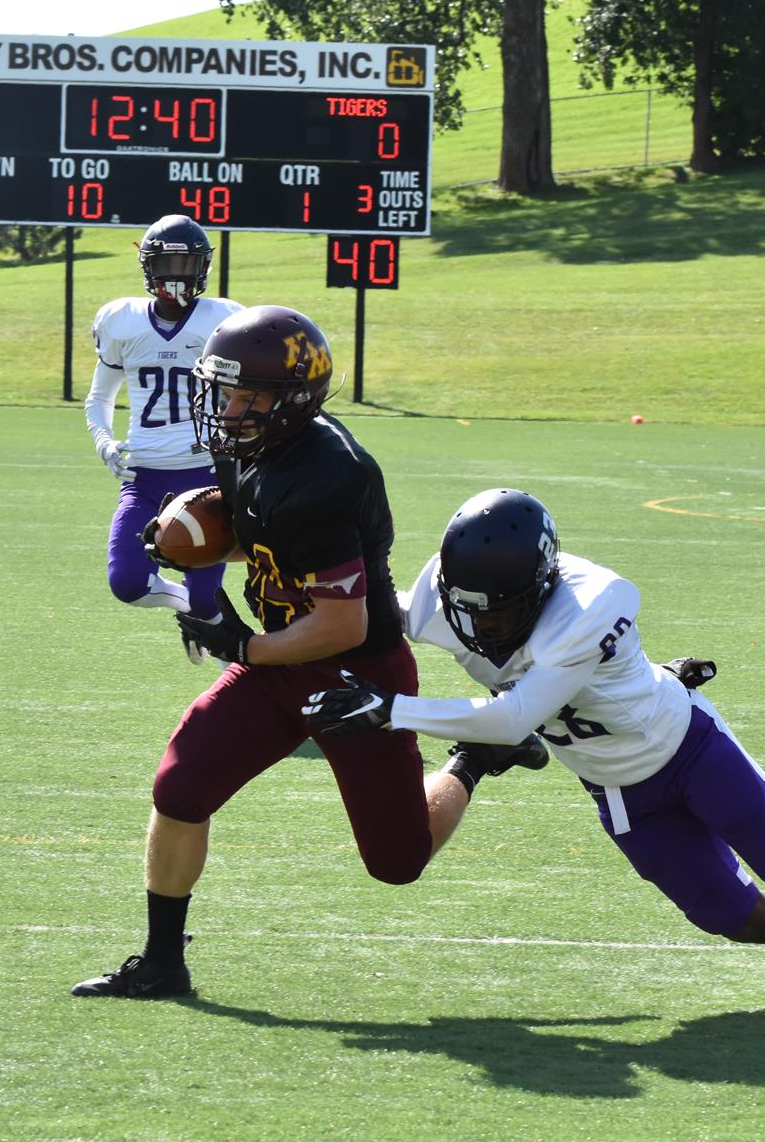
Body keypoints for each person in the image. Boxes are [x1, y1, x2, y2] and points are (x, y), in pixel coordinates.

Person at [302, 489, 765, 1003]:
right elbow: (357, 612)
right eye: (471, 605)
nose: (482, 624)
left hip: (686, 748)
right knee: (731, 915)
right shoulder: (436, 599)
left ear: (542, 586)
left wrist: (391, 709)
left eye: (502, 608)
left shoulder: (591, 600)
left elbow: (513, 718)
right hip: (618, 787)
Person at [71, 307, 547, 1000]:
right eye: (222, 391)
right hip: (278, 659)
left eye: (243, 396)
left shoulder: (327, 474)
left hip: (355, 676)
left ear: (289, 400)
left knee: (398, 861)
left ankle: (476, 755)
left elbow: (342, 624)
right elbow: (257, 534)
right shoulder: (251, 445)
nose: (225, 409)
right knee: (180, 787)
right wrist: (190, 540)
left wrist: (244, 643)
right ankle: (162, 960)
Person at [84, 215, 244, 616]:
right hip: (145, 477)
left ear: (202, 268)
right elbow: (99, 397)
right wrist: (103, 441)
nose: (175, 276)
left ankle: (230, 653)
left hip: (207, 474)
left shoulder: (224, 320)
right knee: (127, 583)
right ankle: (188, 607)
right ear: (147, 267)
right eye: (166, 265)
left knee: (209, 599)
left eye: (185, 265)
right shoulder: (122, 320)